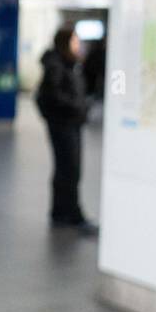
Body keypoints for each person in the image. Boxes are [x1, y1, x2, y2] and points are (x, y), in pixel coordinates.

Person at [36, 24, 97, 236]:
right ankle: (72, 214)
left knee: (67, 168)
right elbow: (50, 95)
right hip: (63, 123)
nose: (77, 44)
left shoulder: (70, 63)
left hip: (72, 122)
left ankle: (60, 212)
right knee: (69, 169)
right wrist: (75, 106)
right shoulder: (56, 65)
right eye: (74, 40)